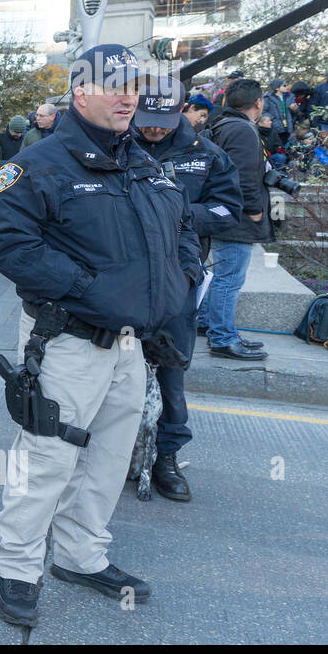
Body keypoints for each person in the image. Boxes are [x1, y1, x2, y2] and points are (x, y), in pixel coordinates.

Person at [0, 44, 202, 628]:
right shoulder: (40, 163)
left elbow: (182, 227)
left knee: (108, 458)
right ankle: (18, 568)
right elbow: (5, 242)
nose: (130, 97)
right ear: (80, 92)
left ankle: (80, 555)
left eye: (135, 86)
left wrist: (181, 281)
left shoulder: (143, 162)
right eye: (115, 86)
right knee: (48, 457)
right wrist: (88, 289)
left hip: (133, 346)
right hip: (70, 340)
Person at [133, 76, 242, 501]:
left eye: (162, 120)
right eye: (147, 120)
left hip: (179, 277)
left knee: (172, 373)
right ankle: (116, 453)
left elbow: (228, 209)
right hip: (123, 278)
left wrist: (172, 213)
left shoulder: (207, 154)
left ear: (181, 112)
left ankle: (166, 456)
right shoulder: (117, 144)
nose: (153, 129)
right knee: (111, 372)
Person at [198, 79, 271, 361]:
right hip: (236, 217)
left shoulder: (218, 126)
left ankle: (207, 324)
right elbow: (244, 175)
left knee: (216, 275)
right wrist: (254, 209)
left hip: (218, 211)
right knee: (229, 278)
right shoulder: (241, 130)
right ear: (258, 103)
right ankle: (223, 338)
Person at [262, 79, 293, 145]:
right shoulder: (267, 98)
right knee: (279, 148)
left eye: (286, 85)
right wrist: (273, 119)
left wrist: (295, 109)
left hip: (289, 128)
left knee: (289, 147)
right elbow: (263, 111)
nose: (286, 87)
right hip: (276, 128)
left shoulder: (290, 97)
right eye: (284, 85)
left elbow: (296, 113)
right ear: (277, 88)